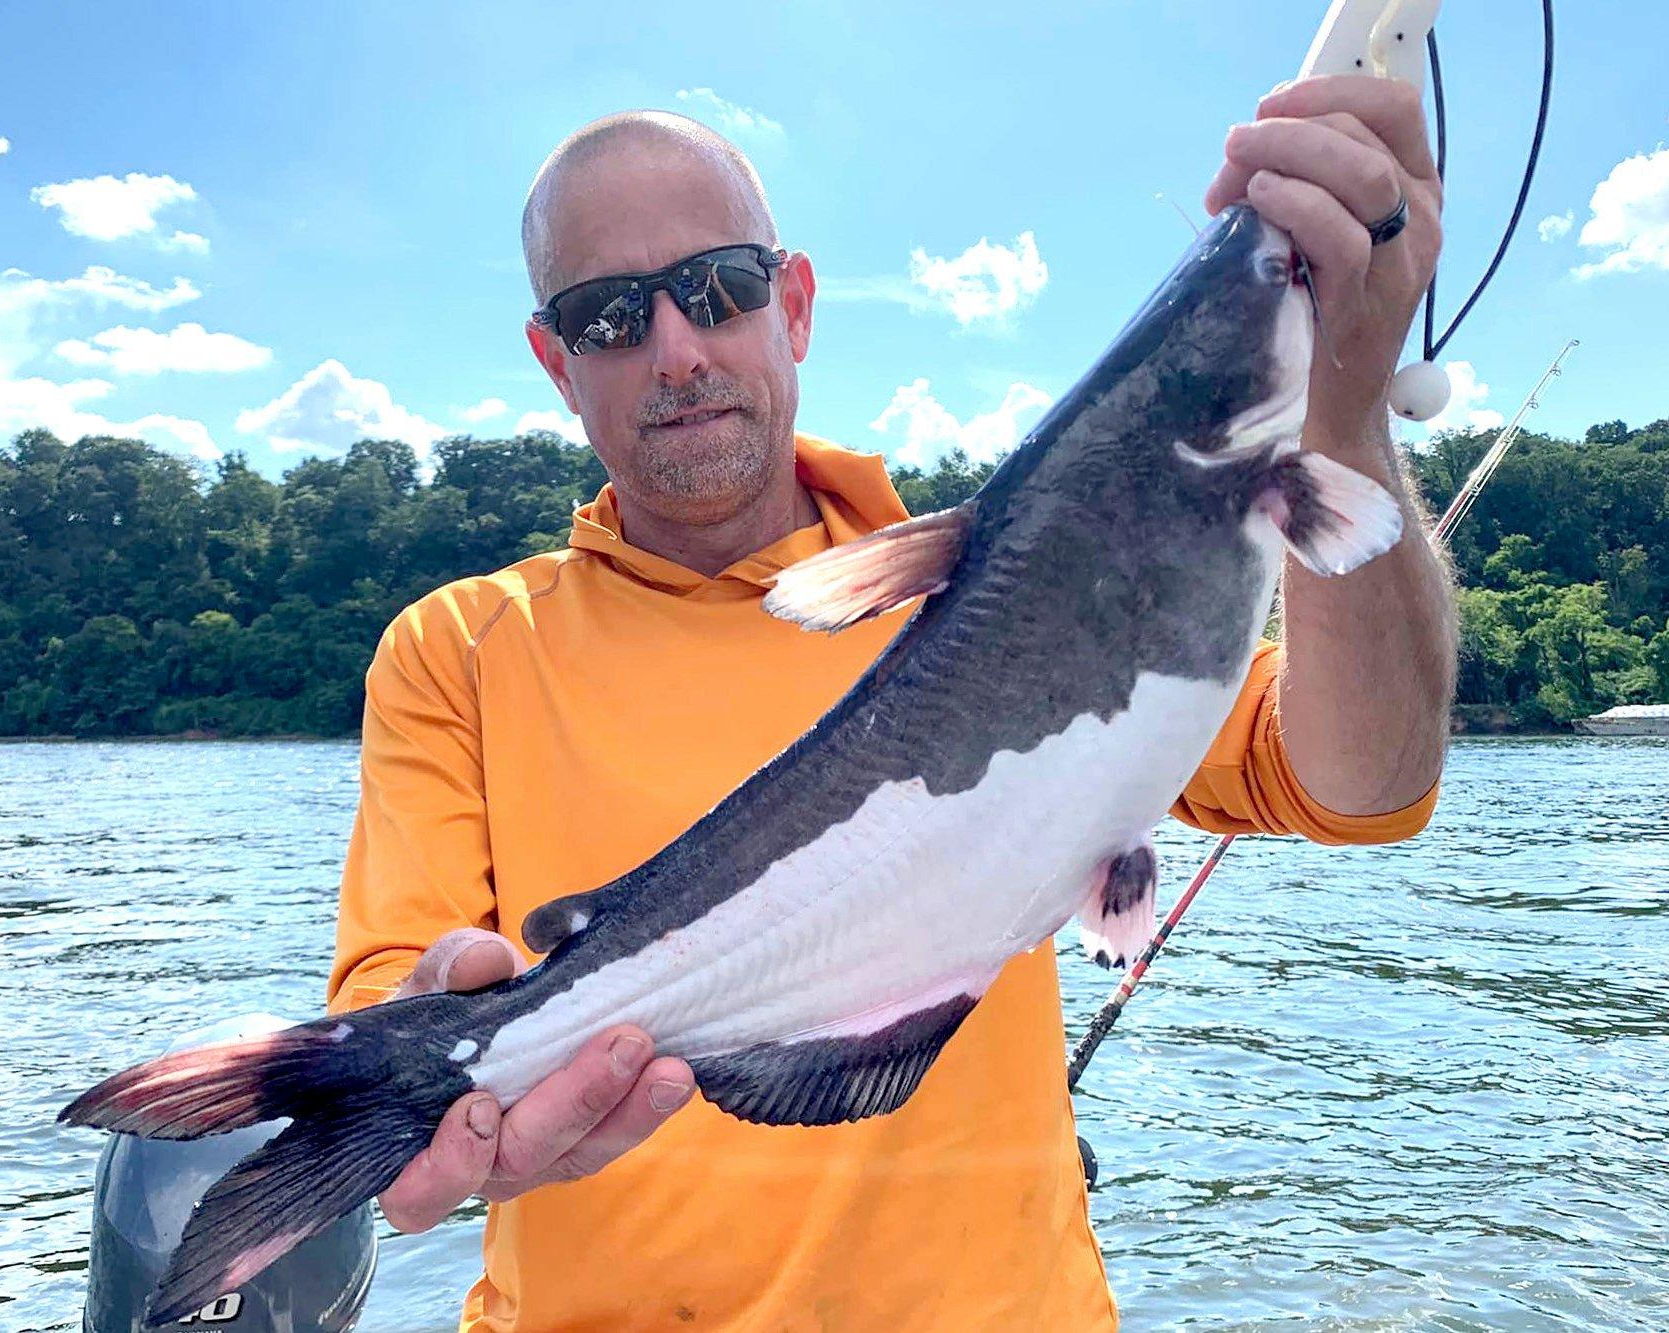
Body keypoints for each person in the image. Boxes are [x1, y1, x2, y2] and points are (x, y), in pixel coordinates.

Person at [328, 76, 1457, 1331]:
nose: (677, 348)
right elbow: (398, 992)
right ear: (555, 361)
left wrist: (1344, 405)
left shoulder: (1032, 577)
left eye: (717, 288)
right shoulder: (455, 648)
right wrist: (442, 1069)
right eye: (607, 317)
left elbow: (1370, 781)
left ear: (793, 304)